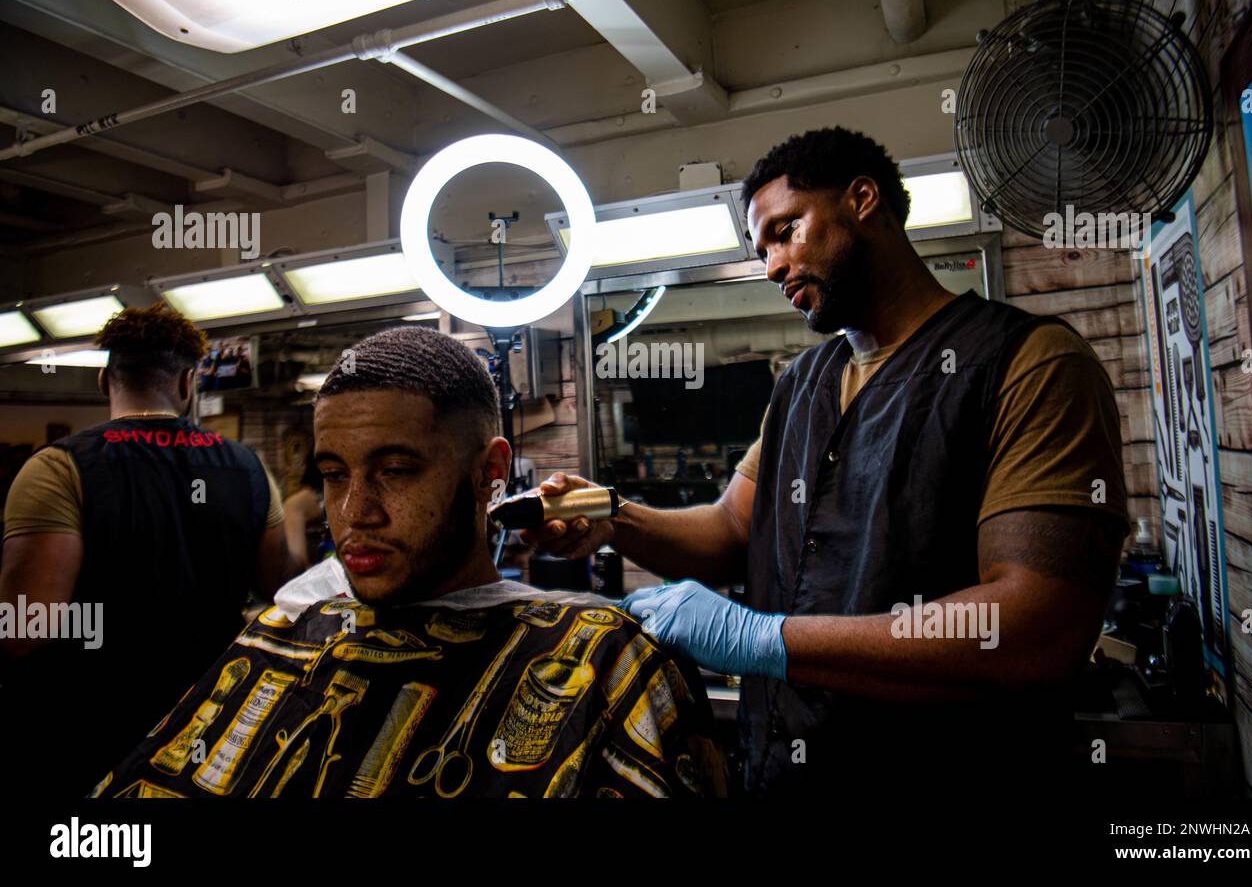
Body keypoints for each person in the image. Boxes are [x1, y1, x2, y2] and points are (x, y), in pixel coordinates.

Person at [527, 127, 1131, 797]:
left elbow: (1034, 628)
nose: (773, 265)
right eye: (763, 249)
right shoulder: (803, 384)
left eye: (786, 230)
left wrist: (767, 641)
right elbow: (733, 532)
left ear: (863, 200)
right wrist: (615, 515)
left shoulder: (1027, 363)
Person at [93, 327, 724, 798]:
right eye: (333, 474)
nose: (354, 511)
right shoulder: (279, 635)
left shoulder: (605, 661)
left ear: (490, 473)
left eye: (395, 471)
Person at [0, 303, 303, 797]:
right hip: (206, 728)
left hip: (89, 737)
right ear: (188, 384)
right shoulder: (247, 468)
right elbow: (282, 593)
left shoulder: (58, 468)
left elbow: (26, 629)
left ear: (104, 381)